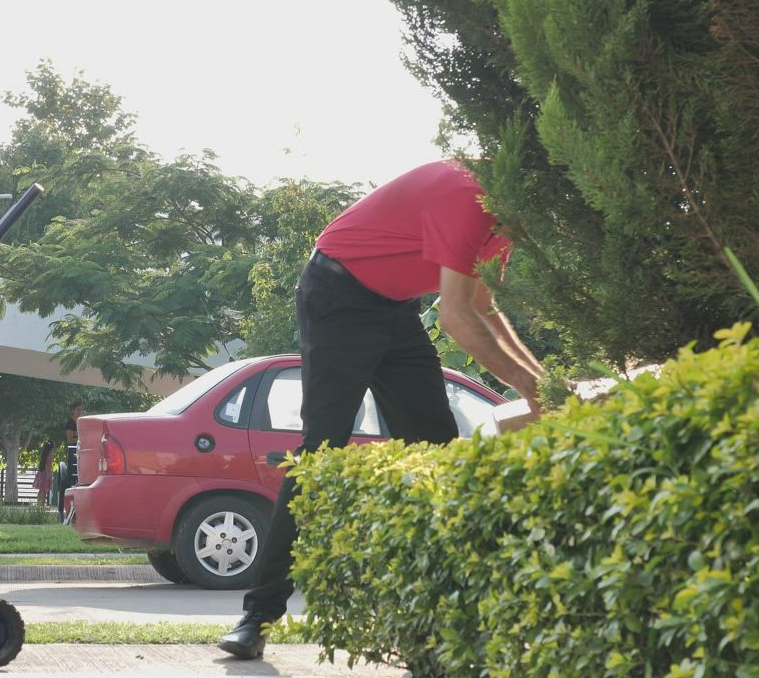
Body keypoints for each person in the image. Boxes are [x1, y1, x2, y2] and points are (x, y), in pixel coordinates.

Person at [218, 160, 544, 659]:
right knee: (321, 449)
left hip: (395, 307)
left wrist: (544, 385)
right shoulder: (470, 201)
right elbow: (457, 317)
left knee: (438, 451)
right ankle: (257, 616)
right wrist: (529, 388)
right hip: (336, 294)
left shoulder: (507, 219)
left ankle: (434, 624)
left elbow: (484, 304)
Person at [32, 438, 55, 506]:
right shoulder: (50, 456)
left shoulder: (44, 455)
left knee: (41, 490)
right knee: (44, 490)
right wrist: (50, 476)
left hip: (41, 473)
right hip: (46, 474)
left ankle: (38, 504)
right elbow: (48, 467)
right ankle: (41, 505)